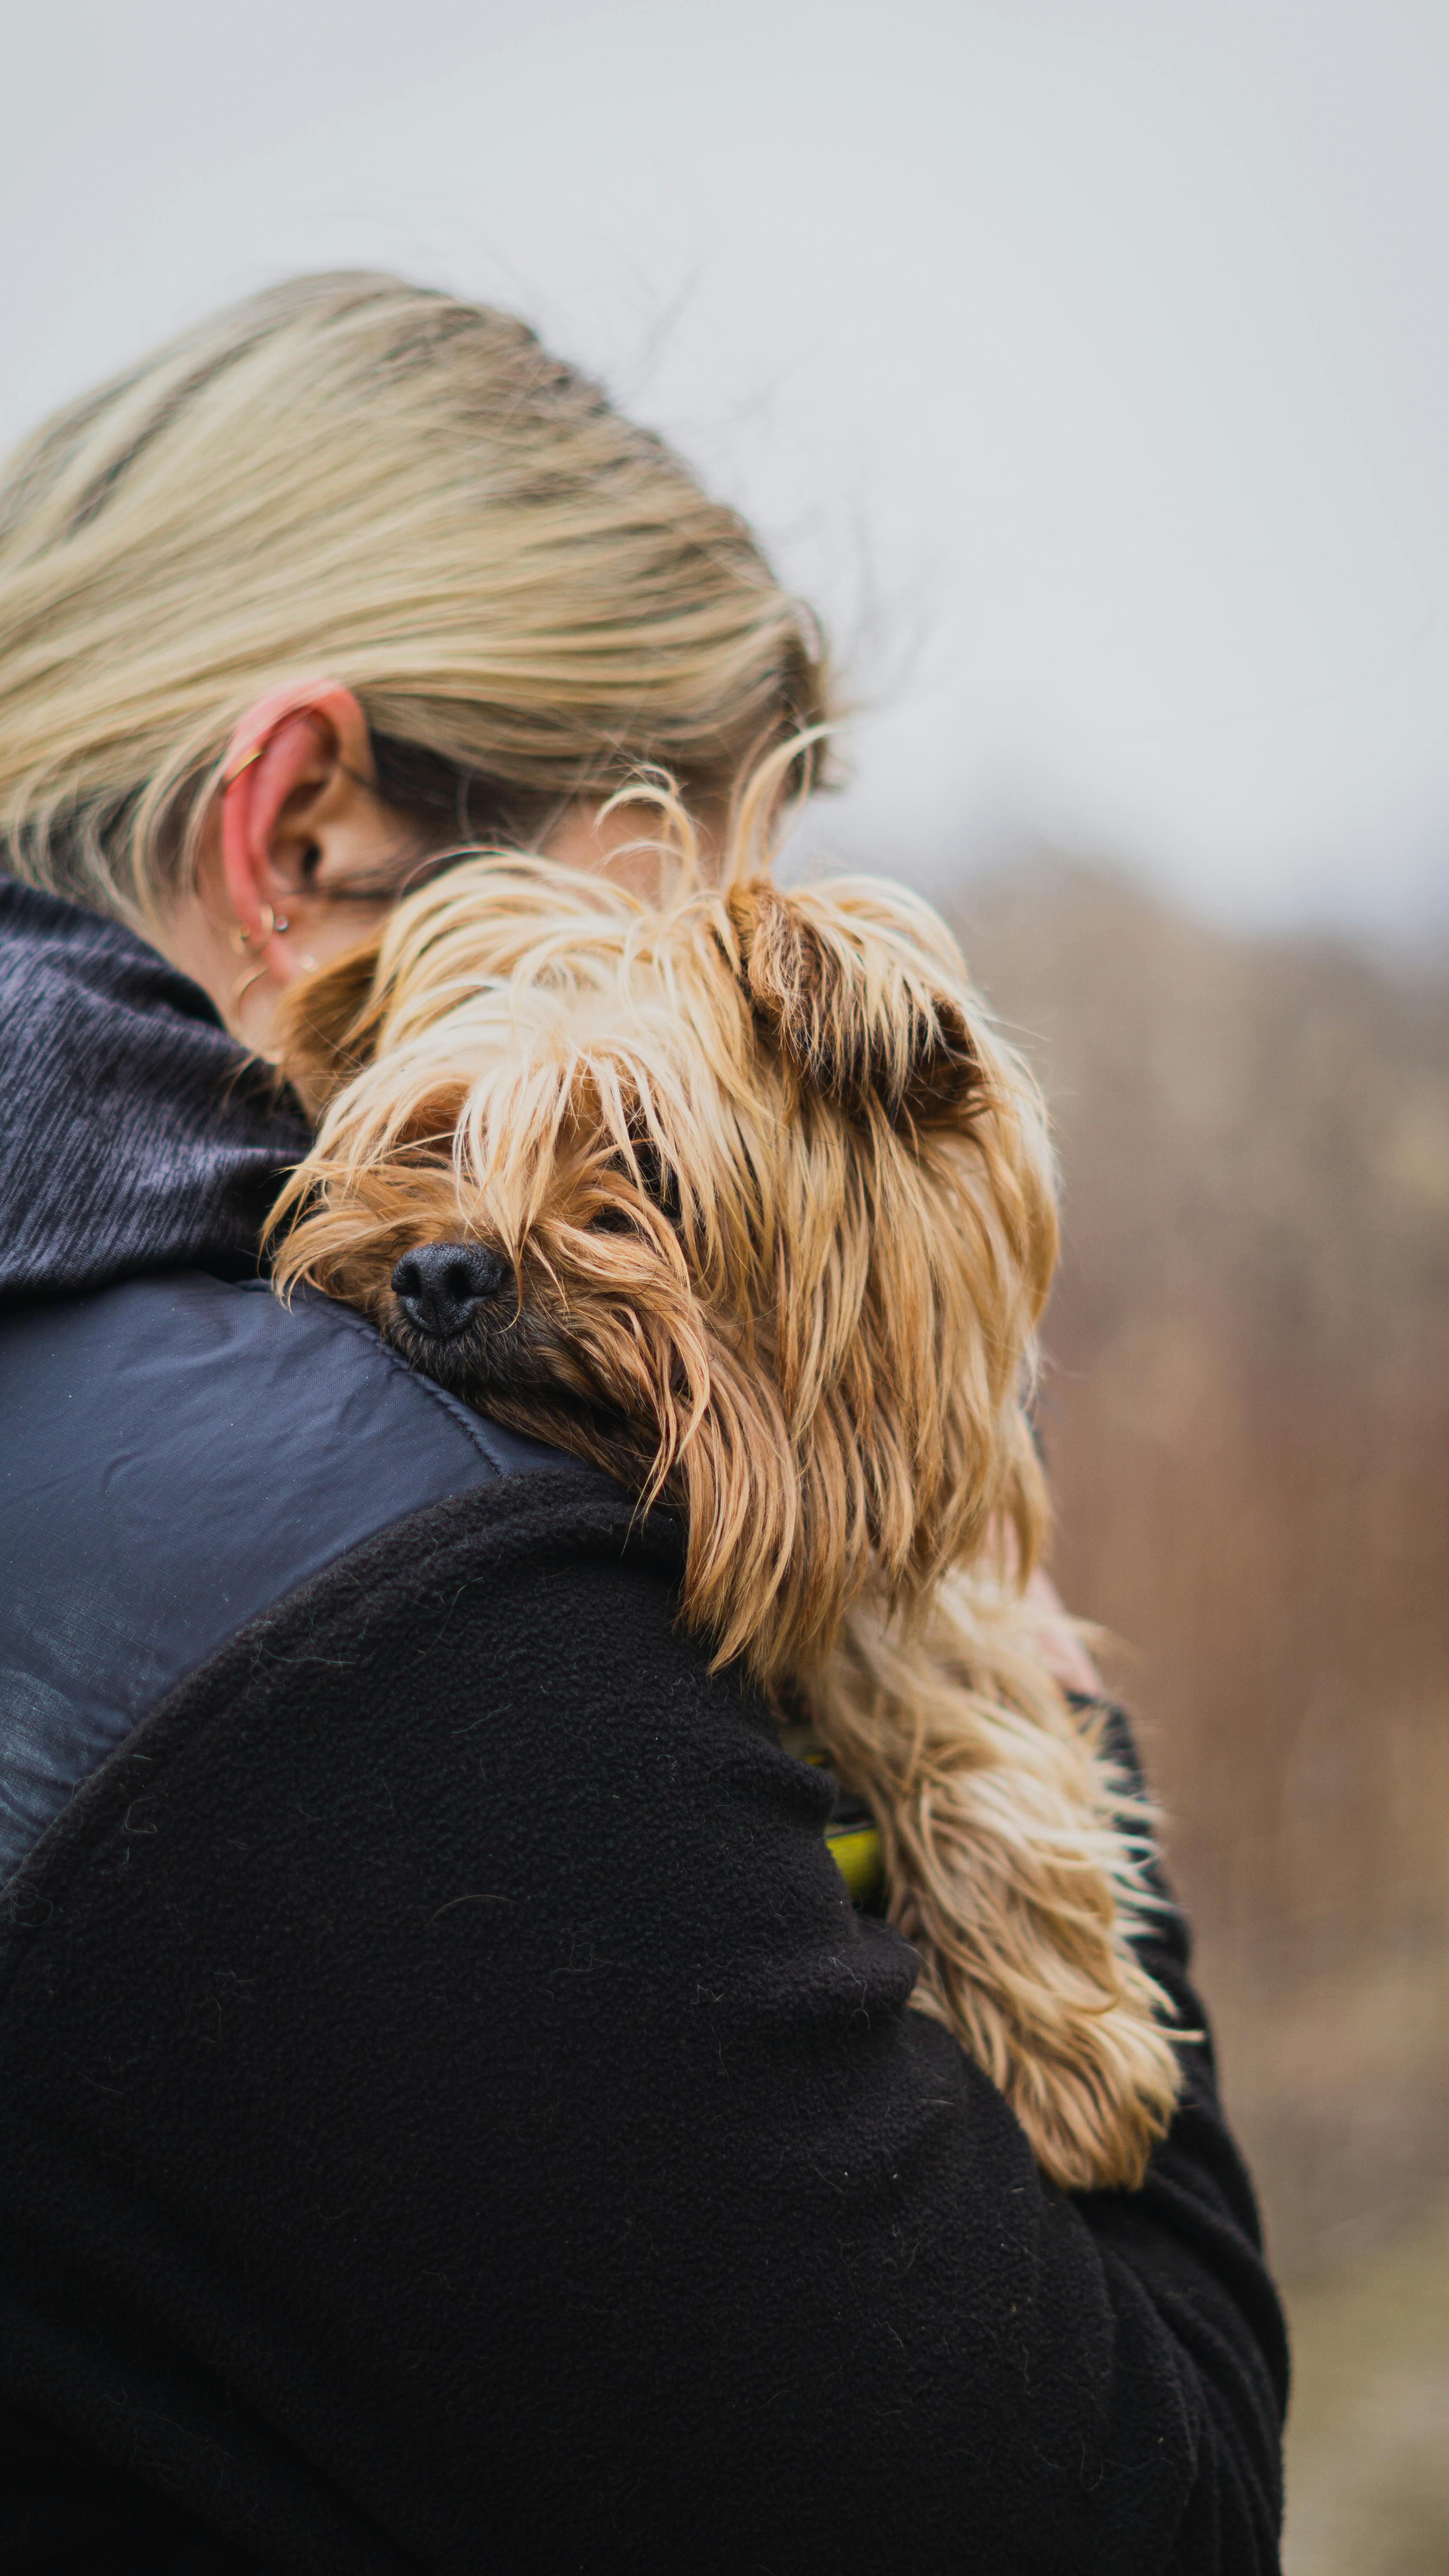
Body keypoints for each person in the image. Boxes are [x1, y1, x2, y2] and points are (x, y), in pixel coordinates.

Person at [0, 272, 1286, 2574]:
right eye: (672, 875)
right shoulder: (390, 1593)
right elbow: (1132, 2519)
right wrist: (1009, 1680)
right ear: (304, 840)